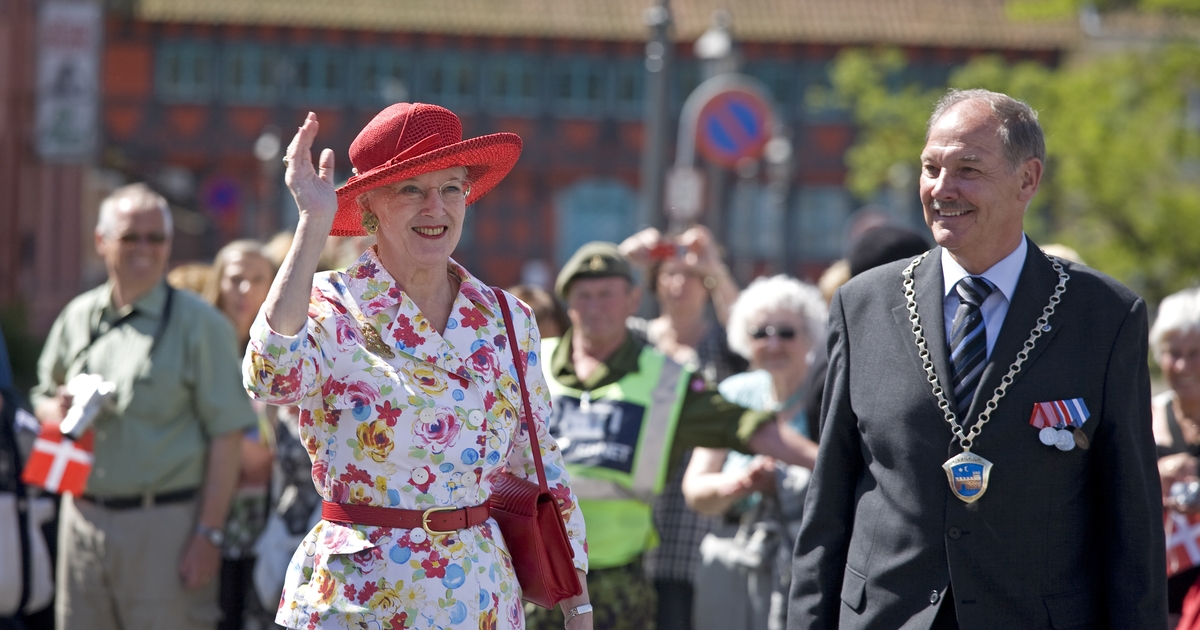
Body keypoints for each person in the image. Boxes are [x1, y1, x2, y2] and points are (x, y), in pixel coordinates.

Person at [788, 88, 1166, 629]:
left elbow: (1132, 524)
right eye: (931, 167)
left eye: (968, 169)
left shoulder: (1103, 316)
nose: (943, 189)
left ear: (1027, 180)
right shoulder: (862, 305)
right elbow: (826, 507)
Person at [243, 103, 591, 629]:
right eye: (411, 190)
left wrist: (577, 598)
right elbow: (269, 378)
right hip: (358, 595)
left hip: (480, 597)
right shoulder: (329, 304)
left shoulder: (506, 317)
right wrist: (313, 224)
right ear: (368, 206)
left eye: (452, 188)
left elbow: (538, 460)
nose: (436, 206)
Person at [524, 242, 817, 630]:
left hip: (616, 582)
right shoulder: (527, 362)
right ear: (568, 303)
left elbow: (747, 427)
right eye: (583, 296)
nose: (594, 307)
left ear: (633, 299)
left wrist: (827, 463)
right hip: (531, 576)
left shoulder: (666, 379)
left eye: (606, 295)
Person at [31, 183, 257, 630]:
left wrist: (207, 535)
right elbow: (40, 395)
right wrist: (59, 409)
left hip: (165, 528)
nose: (144, 249)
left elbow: (226, 436)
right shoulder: (78, 316)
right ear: (101, 242)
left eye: (156, 238)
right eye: (131, 237)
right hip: (81, 519)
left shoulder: (200, 325)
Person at [617, 225, 747, 630]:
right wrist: (623, 260)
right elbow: (591, 315)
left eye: (691, 275)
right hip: (631, 514)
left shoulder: (722, 345)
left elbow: (750, 328)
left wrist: (715, 266)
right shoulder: (636, 340)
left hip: (695, 522)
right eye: (668, 274)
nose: (678, 284)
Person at [683, 275, 826, 630]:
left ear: (810, 335)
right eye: (760, 333)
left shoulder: (827, 393)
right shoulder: (734, 393)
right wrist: (742, 483)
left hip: (806, 559)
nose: (772, 342)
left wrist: (783, 480)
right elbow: (696, 492)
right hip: (733, 556)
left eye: (786, 332)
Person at [203, 240, 280, 630]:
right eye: (235, 279)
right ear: (218, 283)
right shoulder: (198, 347)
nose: (245, 290)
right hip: (197, 521)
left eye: (257, 279)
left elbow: (270, 456)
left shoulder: (282, 356)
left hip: (263, 526)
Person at [1149, 287, 1200, 621]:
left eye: (1196, 352)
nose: (1183, 365)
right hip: (1160, 595)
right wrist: (1155, 474)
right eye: (1173, 352)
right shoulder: (1142, 417)